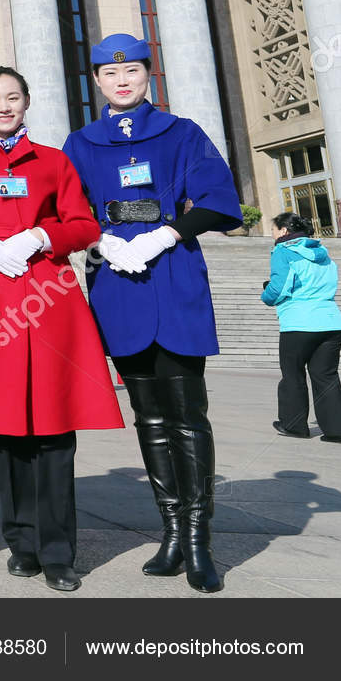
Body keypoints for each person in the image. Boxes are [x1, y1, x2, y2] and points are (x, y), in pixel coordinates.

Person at [62, 33, 243, 594]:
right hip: (117, 278)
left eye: (134, 71)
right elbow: (69, 210)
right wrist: (101, 241)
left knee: (188, 411)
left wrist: (167, 233)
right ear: (96, 81)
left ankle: (197, 539)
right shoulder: (81, 142)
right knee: (149, 414)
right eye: (112, 75)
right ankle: (170, 530)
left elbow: (217, 199)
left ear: (147, 76)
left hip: (172, 272)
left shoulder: (181, 132)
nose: (123, 81)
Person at [0, 66, 124, 592]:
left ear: (26, 103)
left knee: (54, 430)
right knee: (7, 429)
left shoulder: (53, 161)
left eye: (13, 97)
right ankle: (20, 541)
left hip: (49, 299)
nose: (4, 107)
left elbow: (85, 223)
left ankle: (58, 551)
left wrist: (40, 238)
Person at [263, 211, 341, 442]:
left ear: (284, 231)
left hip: (299, 322)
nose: (273, 234)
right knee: (326, 375)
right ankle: (337, 429)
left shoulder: (283, 251)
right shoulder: (323, 253)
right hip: (331, 321)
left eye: (274, 230)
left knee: (293, 374)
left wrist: (266, 295)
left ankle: (294, 425)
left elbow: (279, 287)